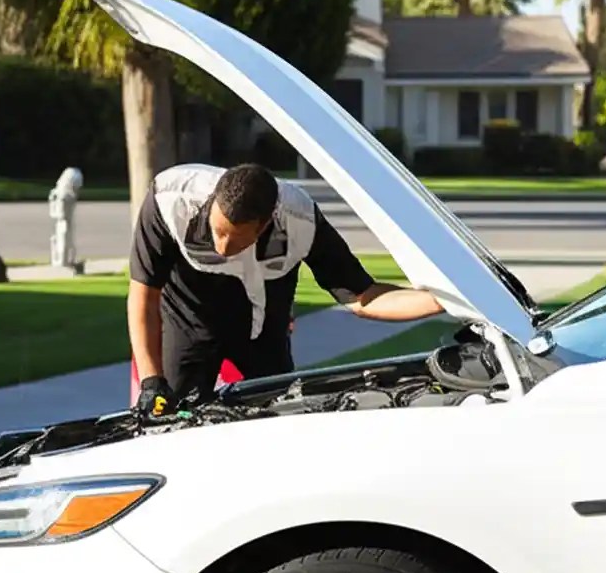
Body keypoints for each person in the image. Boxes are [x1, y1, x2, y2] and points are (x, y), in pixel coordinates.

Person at [127, 162, 444, 419]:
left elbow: (363, 297)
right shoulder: (170, 200)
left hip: (264, 331)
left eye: (237, 239)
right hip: (188, 320)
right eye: (218, 231)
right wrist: (151, 381)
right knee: (170, 422)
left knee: (279, 422)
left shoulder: (300, 220)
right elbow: (143, 295)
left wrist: (441, 301)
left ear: (265, 223)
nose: (223, 248)